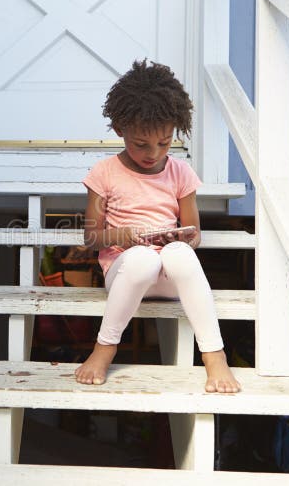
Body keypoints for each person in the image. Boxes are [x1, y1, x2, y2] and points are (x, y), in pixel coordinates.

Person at [75, 60, 241, 393]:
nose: (153, 153)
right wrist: (126, 236)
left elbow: (193, 232)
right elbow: (91, 237)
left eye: (164, 143)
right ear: (120, 127)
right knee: (142, 259)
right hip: (126, 273)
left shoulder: (180, 173)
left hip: (169, 276)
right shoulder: (103, 173)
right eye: (141, 144)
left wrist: (178, 237)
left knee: (178, 252)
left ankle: (214, 355)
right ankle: (104, 349)